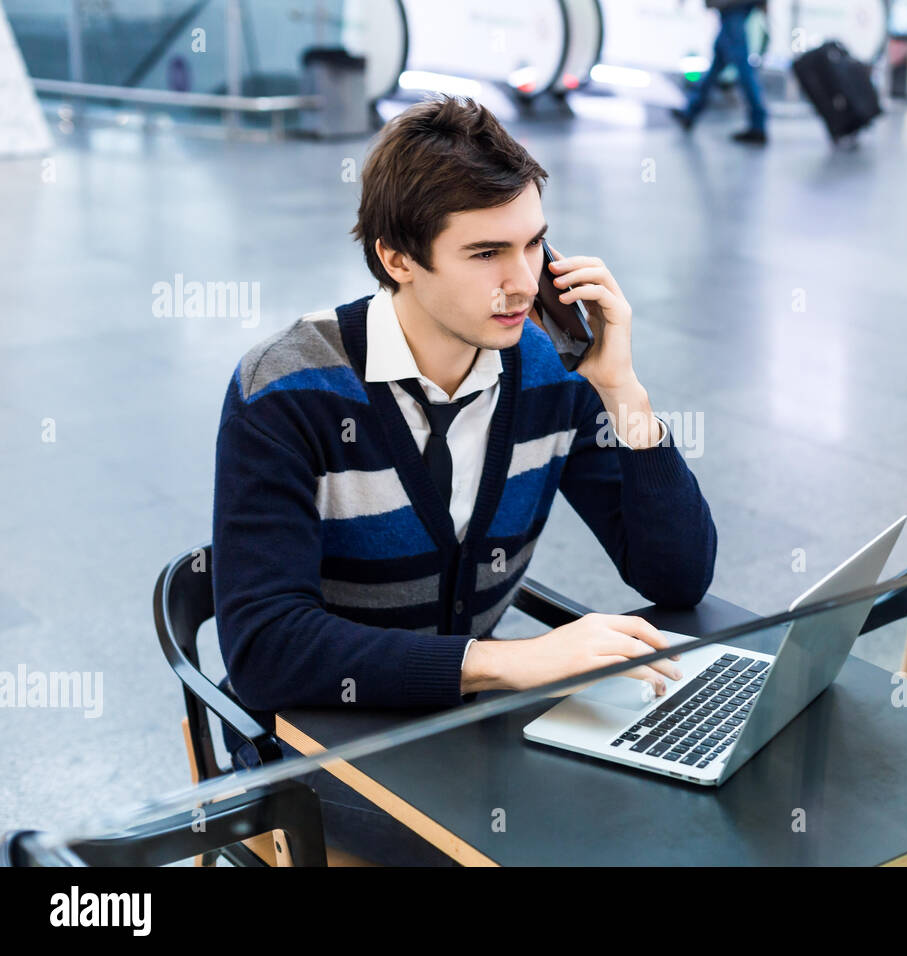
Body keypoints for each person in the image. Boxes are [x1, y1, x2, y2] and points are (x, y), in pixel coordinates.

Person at [211, 95, 718, 864]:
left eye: (534, 245)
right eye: (486, 254)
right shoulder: (285, 389)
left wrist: (625, 394)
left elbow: (677, 575)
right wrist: (498, 662)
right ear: (398, 258)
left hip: (462, 720)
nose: (522, 283)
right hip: (317, 747)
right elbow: (265, 649)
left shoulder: (550, 367)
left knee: (668, 819)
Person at [671, 0, 770, 144]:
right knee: (718, 63)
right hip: (734, 6)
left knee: (742, 66)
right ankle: (690, 112)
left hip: (733, 6)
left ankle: (758, 123)